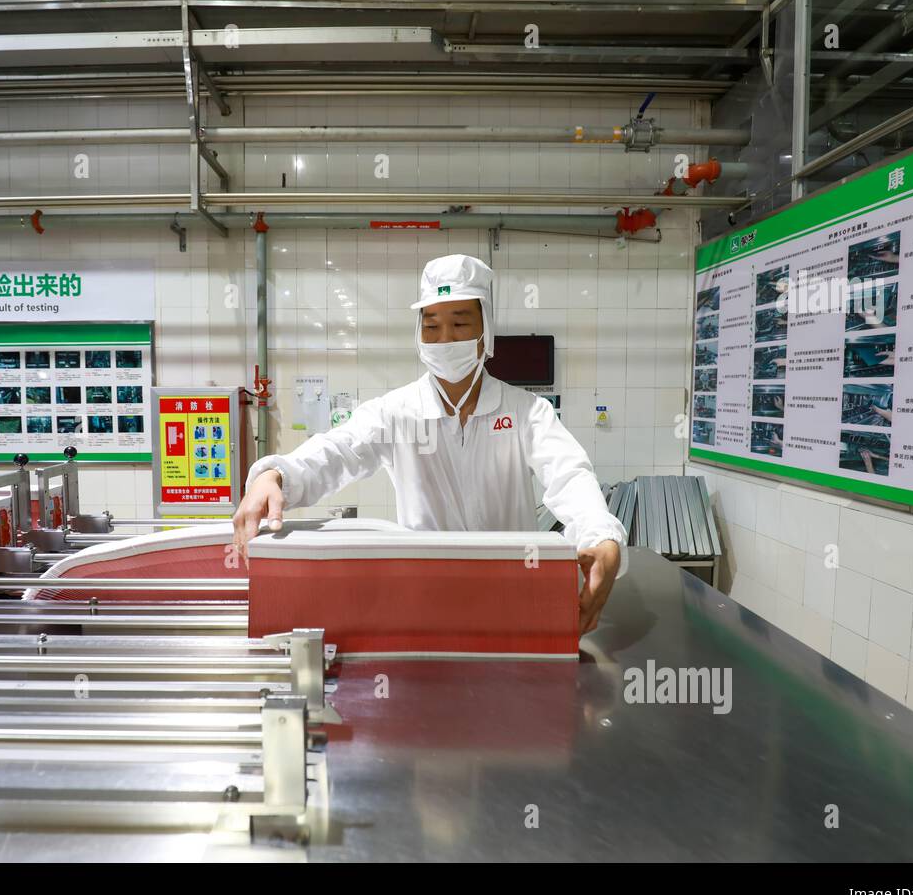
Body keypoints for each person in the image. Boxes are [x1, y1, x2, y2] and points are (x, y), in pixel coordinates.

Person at [233, 253, 628, 633]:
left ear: (485, 329)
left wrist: (602, 537)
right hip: (423, 599)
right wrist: (275, 474)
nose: (444, 338)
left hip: (513, 596)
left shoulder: (526, 412)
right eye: (432, 325)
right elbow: (338, 451)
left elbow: (570, 476)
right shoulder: (396, 412)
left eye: (459, 324)